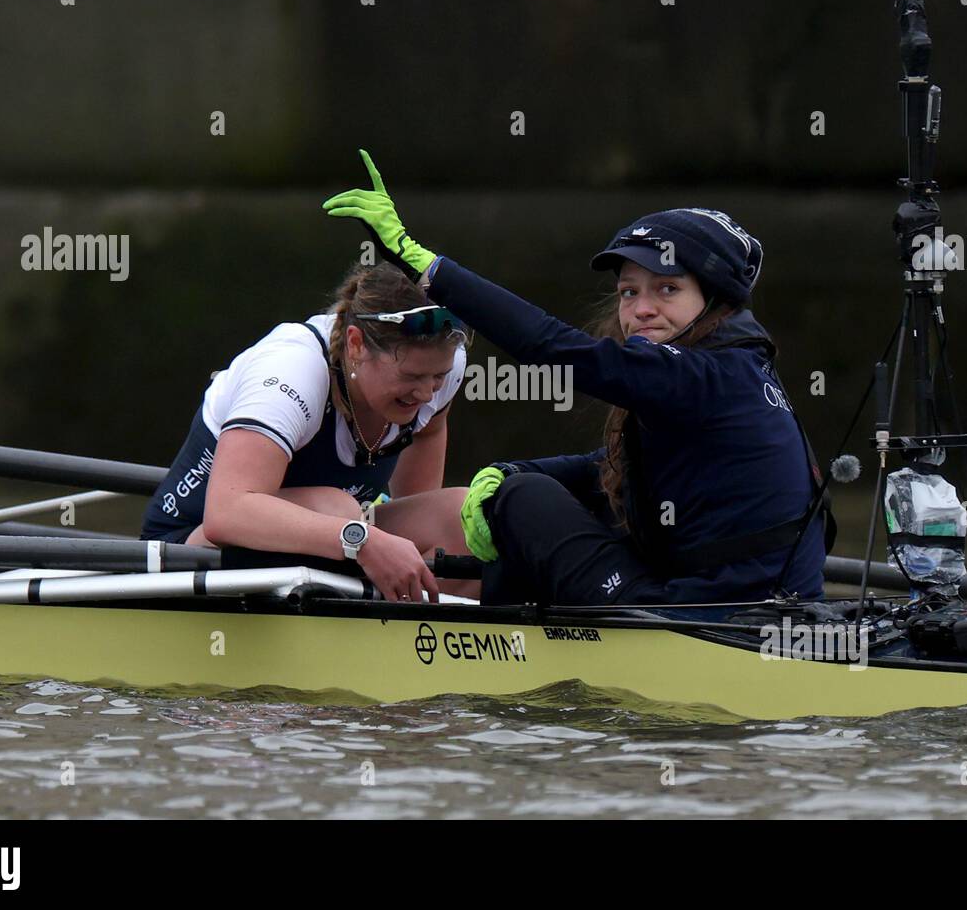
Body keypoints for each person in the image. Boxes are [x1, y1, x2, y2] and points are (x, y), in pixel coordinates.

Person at [323, 152, 831, 606]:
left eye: (667, 289)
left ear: (714, 303)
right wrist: (512, 467)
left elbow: (550, 346)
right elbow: (611, 467)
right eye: (630, 292)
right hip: (755, 607)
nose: (642, 309)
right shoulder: (735, 371)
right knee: (525, 485)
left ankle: (460, 616)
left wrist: (422, 263)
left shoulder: (704, 374)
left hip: (708, 615)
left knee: (521, 501)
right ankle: (461, 591)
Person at [140, 261, 475, 602]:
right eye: (411, 377)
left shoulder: (443, 365)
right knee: (338, 510)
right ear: (356, 344)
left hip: (334, 531)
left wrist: (402, 551)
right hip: (189, 548)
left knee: (470, 519)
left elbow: (428, 436)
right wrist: (361, 539)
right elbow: (226, 513)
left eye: (437, 377)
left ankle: (413, 634)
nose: (427, 393)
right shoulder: (291, 371)